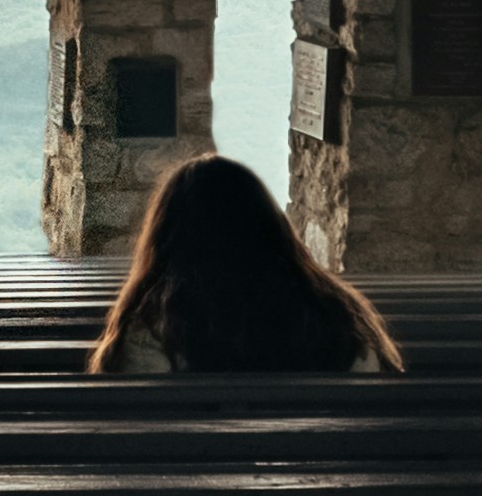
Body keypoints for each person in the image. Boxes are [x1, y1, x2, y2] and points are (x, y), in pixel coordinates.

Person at [85, 151, 401, 377]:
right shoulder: (333, 312)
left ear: (169, 234)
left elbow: (131, 416)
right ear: (269, 225)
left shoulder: (155, 325)